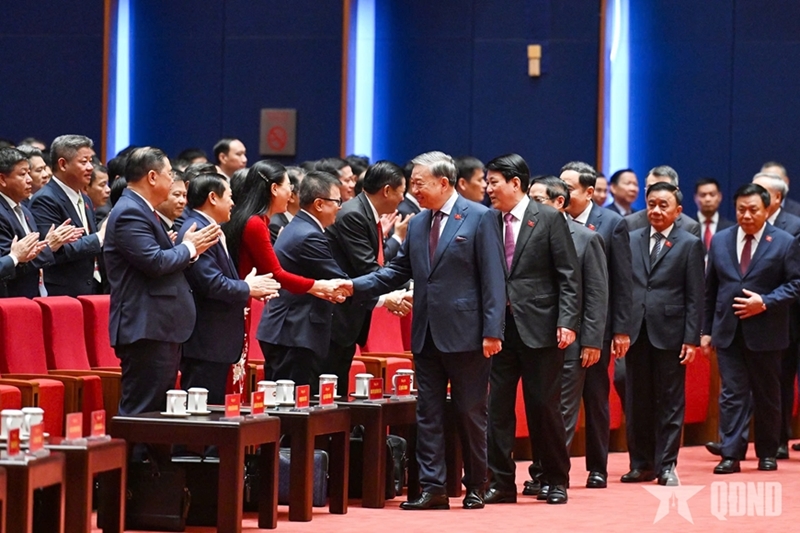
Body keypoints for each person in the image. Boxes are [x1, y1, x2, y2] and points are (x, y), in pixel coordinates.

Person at [345, 151, 506, 511]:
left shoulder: (480, 218)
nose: (413, 189)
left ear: (444, 183)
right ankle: (433, 487)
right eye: (412, 183)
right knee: (427, 412)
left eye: (419, 183)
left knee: (470, 412)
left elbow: (494, 279)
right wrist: (352, 286)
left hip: (468, 333)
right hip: (426, 333)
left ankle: (476, 484)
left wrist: (493, 331)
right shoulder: (417, 223)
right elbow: (395, 272)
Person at [483, 156, 579, 506]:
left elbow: (569, 275)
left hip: (542, 327)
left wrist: (567, 321)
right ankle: (501, 482)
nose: (487, 188)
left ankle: (555, 479)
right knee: (497, 408)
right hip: (498, 329)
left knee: (543, 407)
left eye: (493, 182)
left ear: (515, 184)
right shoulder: (488, 221)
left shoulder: (550, 218)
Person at [104, 146, 221, 416]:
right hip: (146, 327)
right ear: (152, 177)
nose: (173, 181)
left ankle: (152, 460)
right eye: (169, 174)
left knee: (157, 411)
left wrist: (184, 250)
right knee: (142, 409)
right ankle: (133, 460)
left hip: (159, 326)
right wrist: (189, 248)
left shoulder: (142, 209)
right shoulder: (129, 212)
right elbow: (155, 263)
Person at [702, 183, 800, 474]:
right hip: (728, 331)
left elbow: (796, 283)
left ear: (768, 209)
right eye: (741, 209)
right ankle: (731, 454)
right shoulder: (720, 240)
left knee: (767, 393)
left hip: (767, 331)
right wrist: (705, 331)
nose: (746, 215)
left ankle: (767, 451)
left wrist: (766, 302)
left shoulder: (784, 241)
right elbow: (711, 290)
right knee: (732, 393)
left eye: (753, 209)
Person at [551, 161, 632, 490]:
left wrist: (620, 330)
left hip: (597, 328)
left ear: (588, 192)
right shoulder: (551, 221)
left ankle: (597, 466)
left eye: (569, 187)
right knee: (559, 400)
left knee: (595, 399)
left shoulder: (611, 224)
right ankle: (555, 468)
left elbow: (622, 280)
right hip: (560, 327)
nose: (563, 192)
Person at [622, 182, 704, 484]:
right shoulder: (630, 239)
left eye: (663, 205)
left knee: (670, 400)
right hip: (636, 331)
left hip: (671, 332)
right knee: (637, 400)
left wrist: (691, 338)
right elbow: (623, 288)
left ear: (678, 211)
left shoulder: (688, 243)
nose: (656, 210)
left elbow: (696, 295)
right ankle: (641, 463)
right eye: (652, 204)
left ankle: (667, 465)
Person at [528, 177, 609, 475]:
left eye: (539, 201)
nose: (532, 207)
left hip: (572, 340)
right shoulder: (525, 234)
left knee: (561, 410)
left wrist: (591, 340)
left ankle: (550, 473)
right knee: (537, 407)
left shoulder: (586, 238)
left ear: (559, 203)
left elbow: (596, 294)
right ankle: (540, 468)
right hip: (534, 336)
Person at [178, 173, 280, 404]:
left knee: (212, 413)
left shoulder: (212, 228)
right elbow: (211, 284)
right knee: (200, 416)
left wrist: (250, 285)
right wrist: (247, 287)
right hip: (205, 339)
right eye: (230, 196)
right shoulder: (197, 230)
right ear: (213, 198)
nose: (233, 203)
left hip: (216, 340)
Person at [255, 171, 349, 391]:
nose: (340, 207)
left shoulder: (299, 226)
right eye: (337, 201)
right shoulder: (309, 235)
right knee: (291, 409)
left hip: (288, 331)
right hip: (294, 333)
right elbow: (340, 281)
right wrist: (386, 297)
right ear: (319, 204)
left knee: (287, 406)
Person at [325, 161, 411, 395]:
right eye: (401, 192)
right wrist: (394, 295)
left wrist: (408, 285)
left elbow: (382, 266)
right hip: (334, 318)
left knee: (338, 391)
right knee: (330, 393)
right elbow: (368, 269)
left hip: (350, 315)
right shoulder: (354, 215)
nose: (403, 199)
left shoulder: (366, 213)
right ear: (387, 190)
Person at [30, 135, 104, 296]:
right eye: (84, 162)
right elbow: (55, 251)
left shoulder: (85, 199)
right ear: (63, 164)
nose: (91, 167)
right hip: (61, 294)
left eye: (91, 160)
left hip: (91, 289)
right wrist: (100, 237)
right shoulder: (45, 199)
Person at [0, 147, 79, 297]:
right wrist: (48, 247)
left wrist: (48, 245)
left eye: (29, 173)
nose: (29, 179)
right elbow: (11, 264)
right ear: (2, 179)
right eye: (22, 174)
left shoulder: (25, 209)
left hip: (32, 297)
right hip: (10, 300)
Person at [624, 166, 701, 238]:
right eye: (650, 188)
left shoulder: (690, 227)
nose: (655, 193)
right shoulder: (629, 223)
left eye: (663, 188)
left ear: (676, 192)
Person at [695, 178, 735, 252]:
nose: (708, 199)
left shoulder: (731, 228)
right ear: (695, 198)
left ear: (719, 197)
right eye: (703, 195)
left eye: (712, 194)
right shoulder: (687, 227)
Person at [268, 166, 303, 242]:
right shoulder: (275, 225)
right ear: (292, 196)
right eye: (305, 190)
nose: (311, 194)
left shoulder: (303, 219)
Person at [155, 169, 189, 234]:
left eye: (184, 195)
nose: (183, 201)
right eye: (177, 194)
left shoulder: (178, 227)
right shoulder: (151, 226)